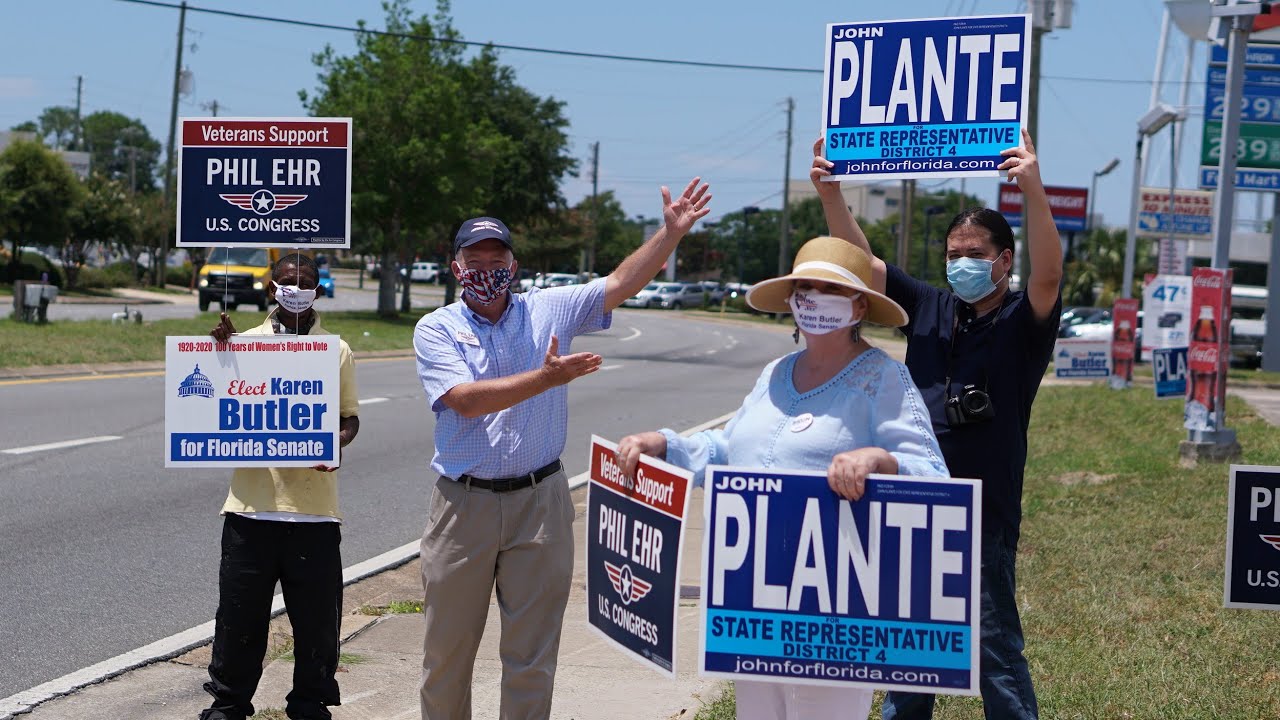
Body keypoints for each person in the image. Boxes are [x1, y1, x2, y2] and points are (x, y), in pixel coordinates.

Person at [413, 178, 711, 720]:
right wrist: (545, 379)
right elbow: (464, 401)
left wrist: (668, 236)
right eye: (474, 258)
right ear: (455, 266)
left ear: (514, 263)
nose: (486, 268)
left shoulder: (550, 308)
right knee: (446, 655)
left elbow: (621, 282)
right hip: (463, 505)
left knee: (531, 656)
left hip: (540, 504)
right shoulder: (437, 328)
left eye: (496, 256)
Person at [616, 236, 949, 720]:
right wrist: (666, 444)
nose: (812, 298)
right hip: (753, 602)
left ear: (859, 305)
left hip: (834, 609)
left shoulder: (883, 379)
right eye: (803, 288)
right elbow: (729, 451)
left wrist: (881, 460)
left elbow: (934, 478)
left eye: (827, 288)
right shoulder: (775, 372)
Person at [810, 129, 1063, 720]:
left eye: (976, 255)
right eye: (953, 254)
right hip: (908, 504)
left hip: (983, 511)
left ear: (1004, 260)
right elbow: (862, 267)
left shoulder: (1024, 320)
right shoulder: (928, 306)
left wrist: (1033, 187)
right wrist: (830, 195)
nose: (962, 264)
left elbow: (1049, 275)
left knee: (994, 652)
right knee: (909, 652)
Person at [200, 251, 361, 720]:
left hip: (313, 514)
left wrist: (335, 443)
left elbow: (349, 419)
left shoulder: (337, 349)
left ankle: (310, 706)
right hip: (250, 511)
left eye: (306, 280)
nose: (297, 287)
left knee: (317, 625)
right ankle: (228, 705)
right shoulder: (243, 344)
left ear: (318, 288)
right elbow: (214, 407)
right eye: (288, 280)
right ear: (272, 287)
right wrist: (217, 355)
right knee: (238, 621)